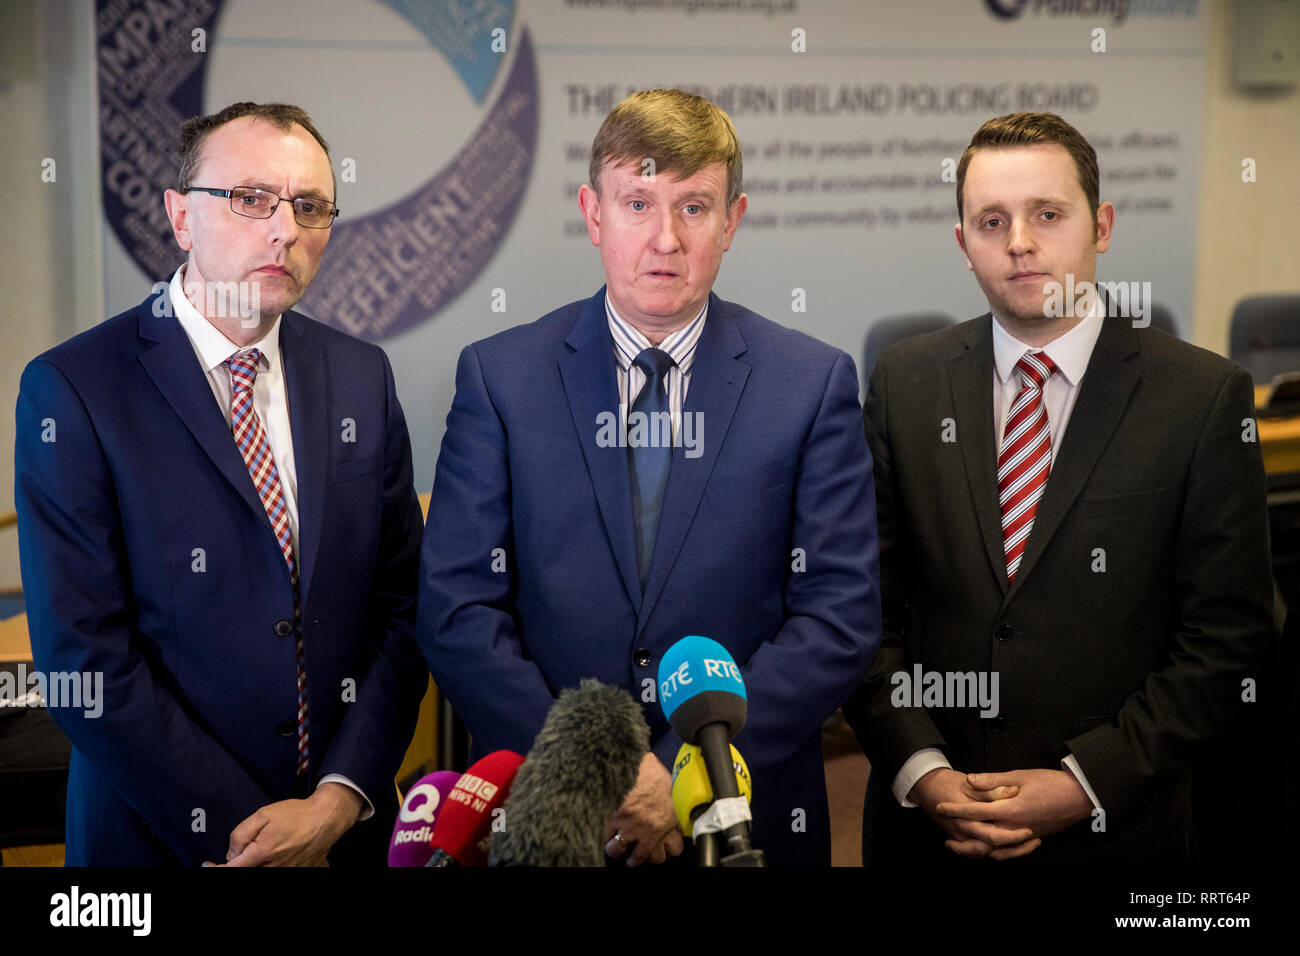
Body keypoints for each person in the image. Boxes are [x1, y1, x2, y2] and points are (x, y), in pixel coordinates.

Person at [418, 89, 880, 867]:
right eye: (638, 203)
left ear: (732, 221)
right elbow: (458, 610)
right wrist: (591, 773)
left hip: (743, 818)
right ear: (594, 214)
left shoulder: (812, 383)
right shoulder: (501, 379)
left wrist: (682, 772)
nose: (666, 238)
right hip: (555, 820)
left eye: (694, 207)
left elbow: (837, 618)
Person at [843, 111, 1274, 865]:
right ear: (962, 245)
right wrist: (925, 772)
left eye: (1048, 214)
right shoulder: (904, 384)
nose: (1019, 242)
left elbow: (1227, 640)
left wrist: (1084, 784)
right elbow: (861, 616)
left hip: (1117, 831)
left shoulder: (1202, 398)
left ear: (1101, 225)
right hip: (928, 832)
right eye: (991, 220)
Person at [15, 102, 427, 866]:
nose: (285, 229)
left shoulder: (361, 376)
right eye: (250, 198)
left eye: (310, 207)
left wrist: (339, 800)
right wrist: (246, 831)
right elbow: (84, 660)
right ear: (180, 217)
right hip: (163, 839)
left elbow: (401, 610)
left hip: (343, 832)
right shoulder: (74, 390)